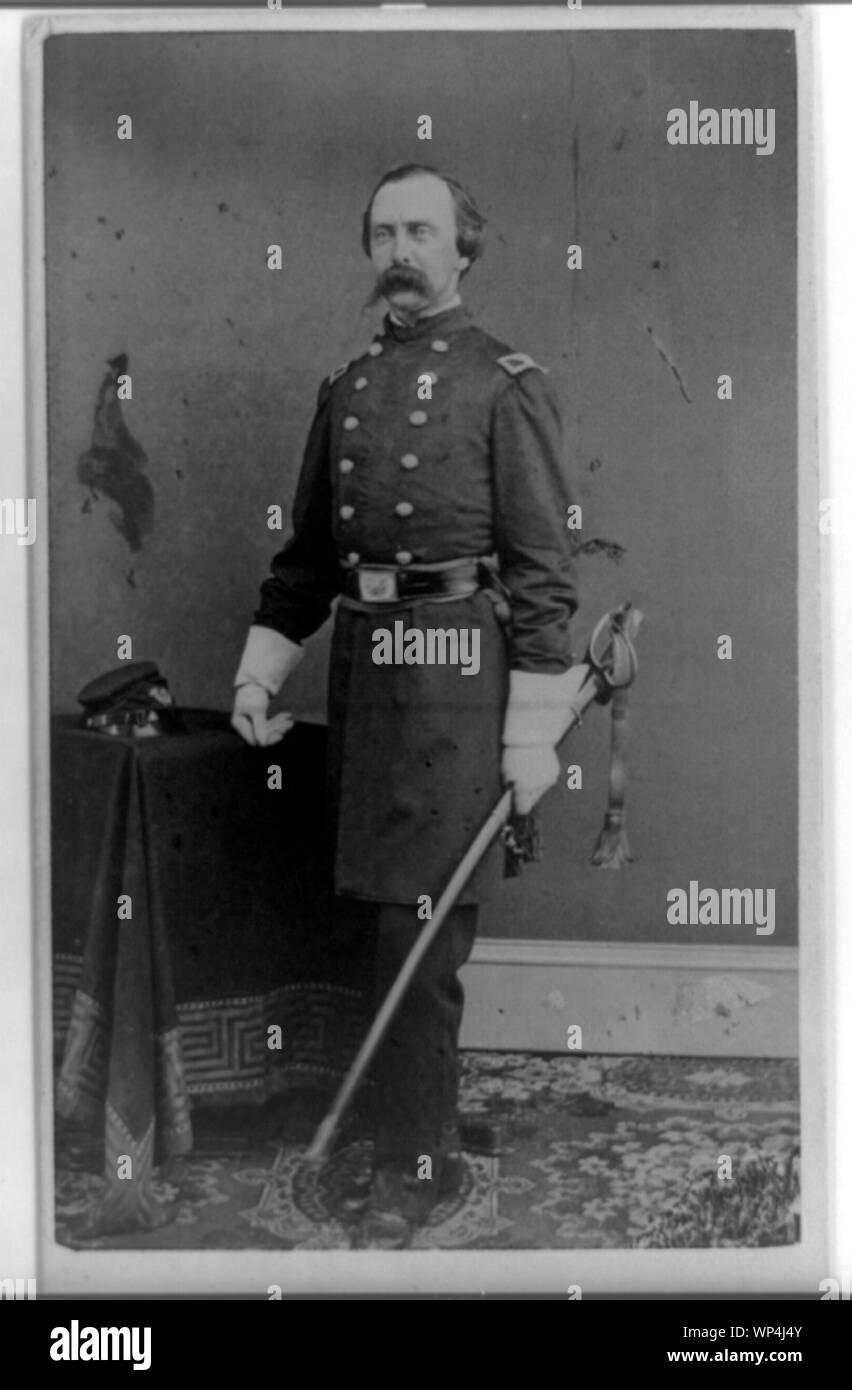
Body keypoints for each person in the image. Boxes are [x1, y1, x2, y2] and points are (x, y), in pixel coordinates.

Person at [231, 164, 579, 1248]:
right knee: (380, 925)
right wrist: (260, 672)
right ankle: (403, 1124)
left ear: (463, 247)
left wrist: (530, 736)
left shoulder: (503, 382)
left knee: (421, 939)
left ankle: (416, 1162)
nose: (399, 250)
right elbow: (305, 560)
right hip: (372, 676)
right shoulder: (347, 387)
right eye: (383, 231)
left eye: (420, 230)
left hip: (459, 684)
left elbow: (543, 573)